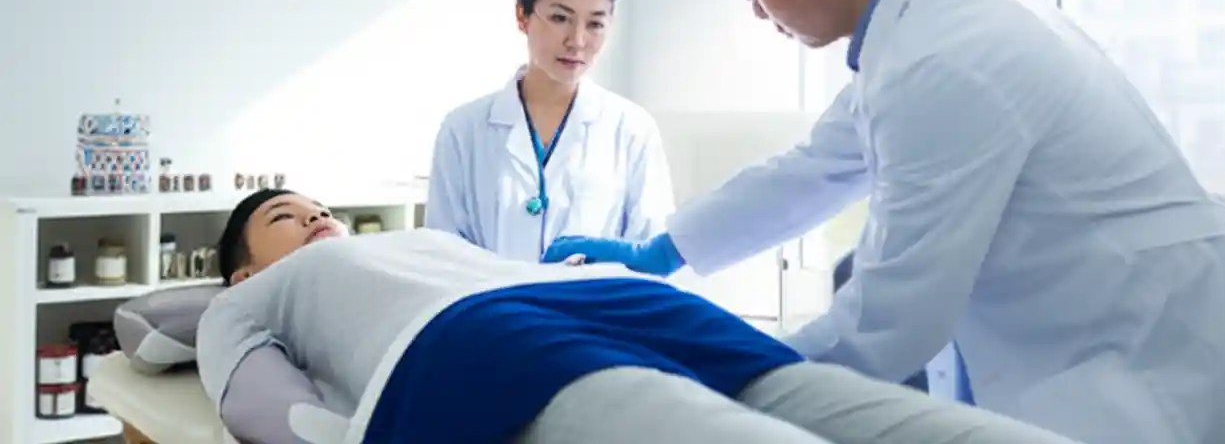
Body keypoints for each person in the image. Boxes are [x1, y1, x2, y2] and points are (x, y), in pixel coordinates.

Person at [541, 0, 1225, 444]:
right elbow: (815, 169)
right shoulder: (924, 19)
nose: (758, 12)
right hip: (1126, 357)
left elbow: (888, 325)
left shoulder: (946, 59)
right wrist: (665, 250)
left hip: (1161, 380)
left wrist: (726, 374)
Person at [199, 188, 1077, 443]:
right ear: (243, 272)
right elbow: (247, 387)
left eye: (321, 208)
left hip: (612, 299)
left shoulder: (422, 239)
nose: (318, 219)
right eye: (286, 216)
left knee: (847, 406)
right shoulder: (262, 296)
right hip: (494, 342)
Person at [426, 0, 675, 261]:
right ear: (522, 15)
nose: (577, 40)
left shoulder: (632, 130)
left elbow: (649, 253)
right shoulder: (463, 129)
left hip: (594, 310)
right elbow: (441, 256)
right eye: (560, 18)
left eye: (595, 24)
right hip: (493, 310)